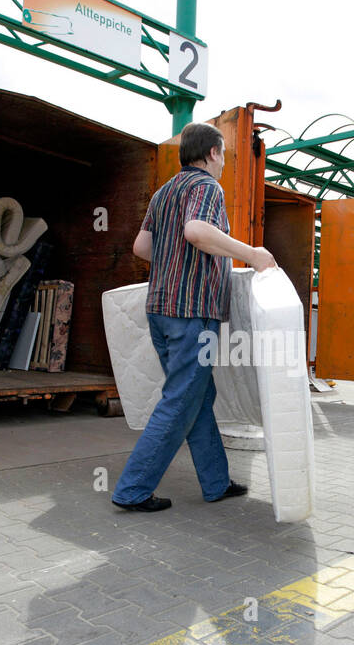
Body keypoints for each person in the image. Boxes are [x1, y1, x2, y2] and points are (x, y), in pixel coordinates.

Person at [111, 122, 276, 512]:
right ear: (214, 152)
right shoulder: (206, 187)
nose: (223, 164)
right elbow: (197, 230)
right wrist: (251, 254)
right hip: (192, 312)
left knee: (198, 397)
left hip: (160, 309)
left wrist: (175, 261)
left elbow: (141, 247)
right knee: (181, 398)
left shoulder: (164, 192)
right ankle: (132, 490)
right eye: (224, 156)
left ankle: (216, 482)